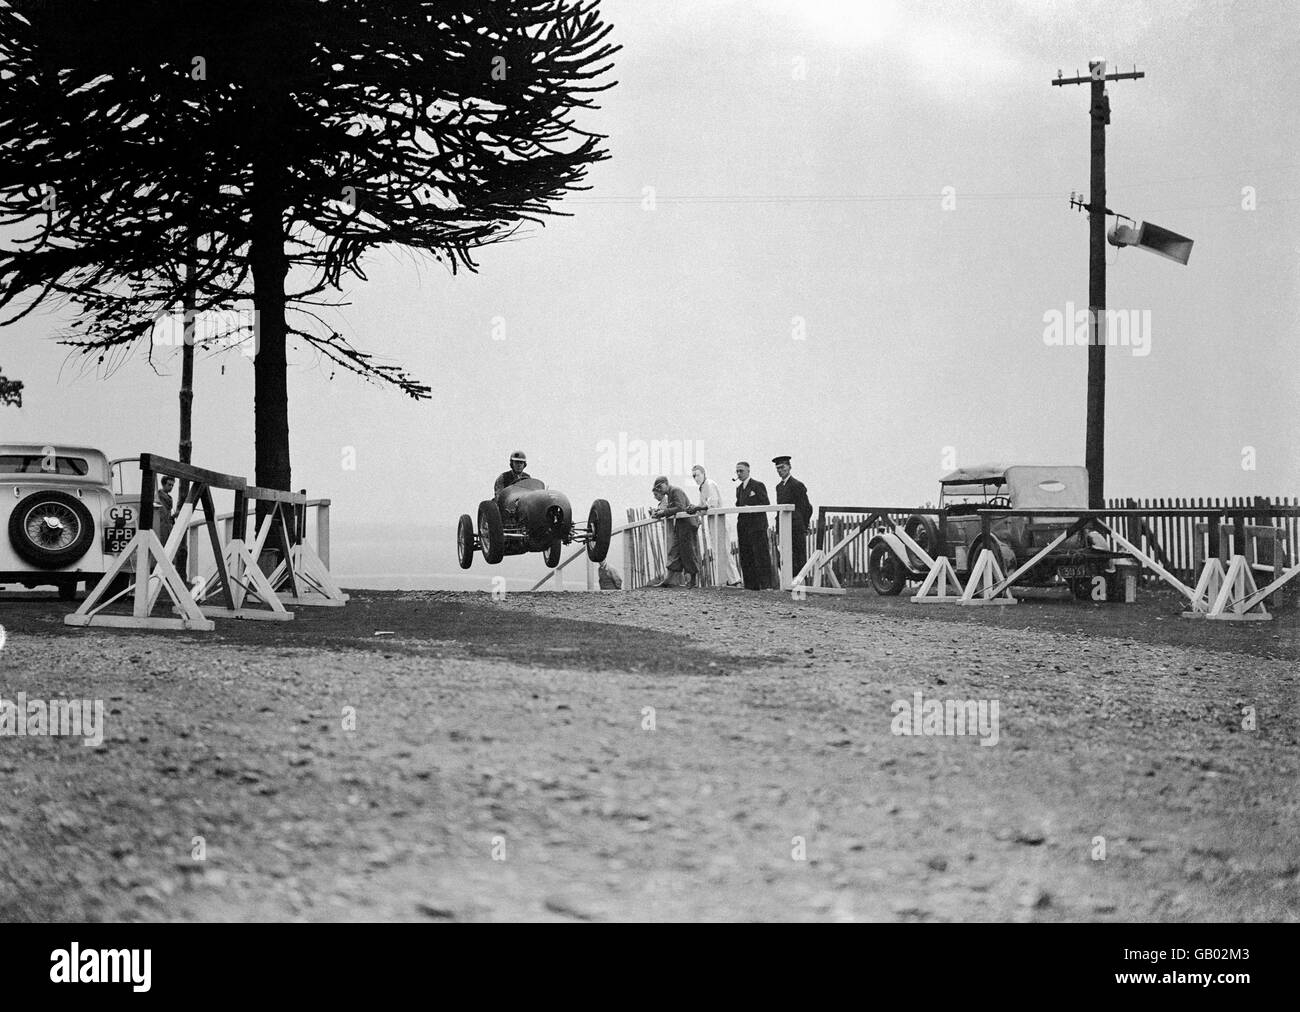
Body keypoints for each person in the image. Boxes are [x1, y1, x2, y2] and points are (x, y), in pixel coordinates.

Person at [692, 464, 741, 586]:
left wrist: (698, 507)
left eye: (697, 475)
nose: (696, 478)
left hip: (719, 519)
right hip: (712, 520)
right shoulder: (702, 488)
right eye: (694, 476)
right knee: (716, 550)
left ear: (704, 474)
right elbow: (702, 507)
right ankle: (726, 580)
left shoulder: (710, 484)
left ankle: (735, 579)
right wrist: (694, 509)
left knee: (724, 549)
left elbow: (712, 503)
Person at [650, 475, 700, 587]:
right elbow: (673, 508)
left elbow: (680, 508)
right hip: (681, 525)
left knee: (688, 552)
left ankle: (693, 581)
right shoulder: (670, 494)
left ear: (666, 483)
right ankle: (668, 580)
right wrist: (659, 512)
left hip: (688, 524)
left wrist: (664, 512)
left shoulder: (676, 491)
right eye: (657, 487)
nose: (659, 489)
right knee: (675, 551)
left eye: (660, 486)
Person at [773, 455, 813, 579]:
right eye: (778, 468)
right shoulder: (779, 487)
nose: (780, 470)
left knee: (798, 556)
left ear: (789, 467)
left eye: (782, 467)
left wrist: (802, 525)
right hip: (784, 527)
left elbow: (807, 507)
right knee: (785, 555)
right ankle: (789, 582)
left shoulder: (797, 485)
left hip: (796, 527)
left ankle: (801, 584)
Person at [734, 461, 773, 590]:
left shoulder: (757, 485)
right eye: (737, 471)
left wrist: (751, 507)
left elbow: (765, 503)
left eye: (741, 471)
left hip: (757, 526)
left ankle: (765, 585)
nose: (739, 474)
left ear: (748, 471)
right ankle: (751, 585)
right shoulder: (739, 489)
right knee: (746, 555)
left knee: (761, 555)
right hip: (744, 526)